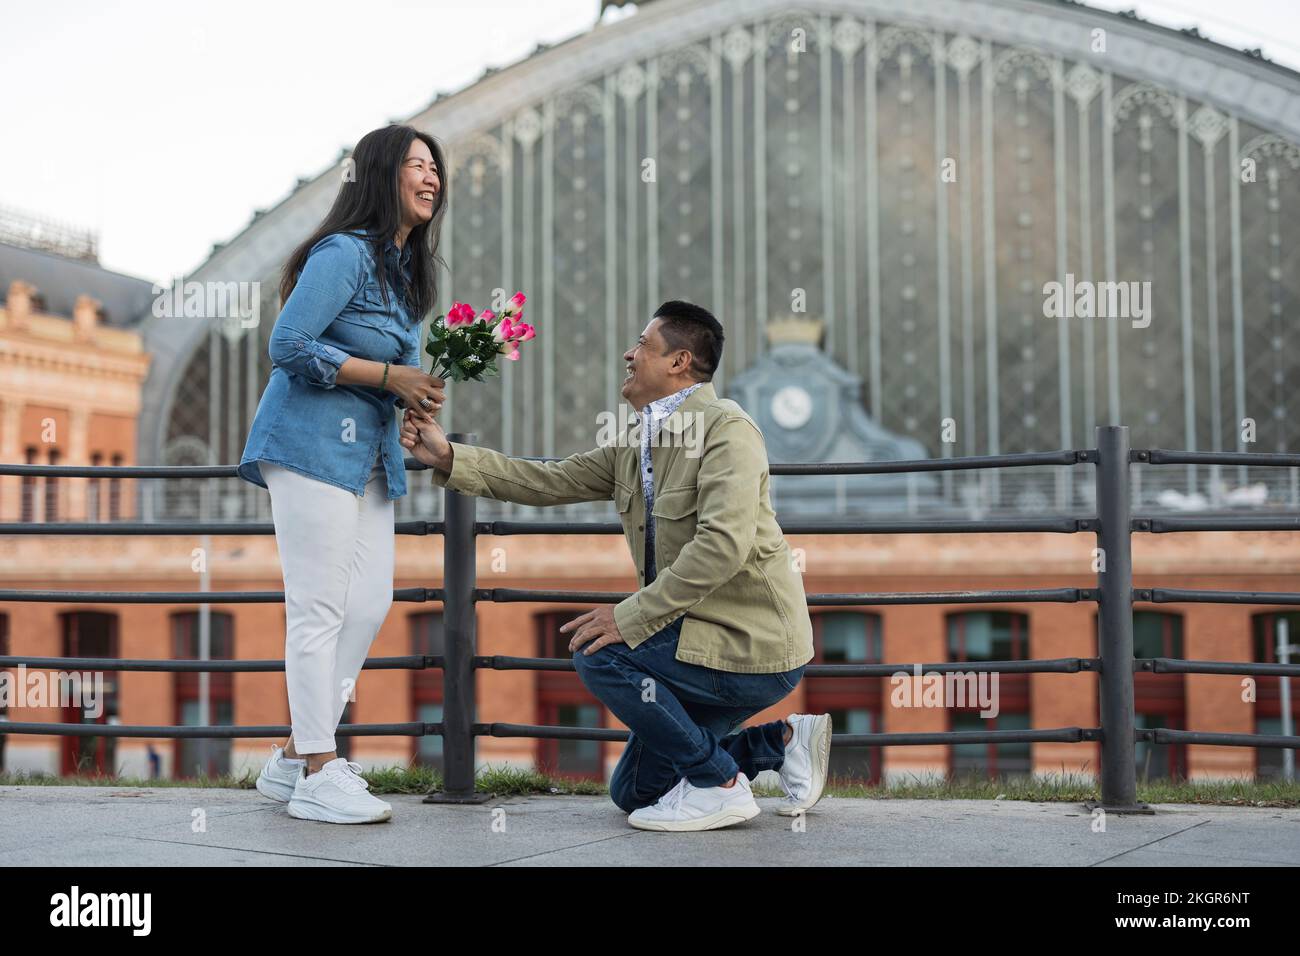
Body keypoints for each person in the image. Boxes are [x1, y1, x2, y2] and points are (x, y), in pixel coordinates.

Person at [401, 300, 831, 831]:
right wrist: (447, 458)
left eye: (643, 345)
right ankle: (782, 743)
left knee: (600, 651)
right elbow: (551, 479)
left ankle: (720, 786)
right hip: (693, 640)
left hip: (748, 644)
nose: (629, 354)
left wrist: (626, 619)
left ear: (679, 361)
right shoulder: (638, 442)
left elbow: (722, 545)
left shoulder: (727, 430)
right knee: (635, 791)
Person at [237, 124, 448, 824]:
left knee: (370, 602)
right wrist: (392, 373)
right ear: (383, 175)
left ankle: (294, 756)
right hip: (308, 445)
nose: (431, 177)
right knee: (320, 606)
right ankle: (322, 773)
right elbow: (288, 343)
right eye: (417, 165)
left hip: (369, 456)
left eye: (435, 168)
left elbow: (386, 374)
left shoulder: (401, 276)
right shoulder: (345, 253)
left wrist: (409, 403)